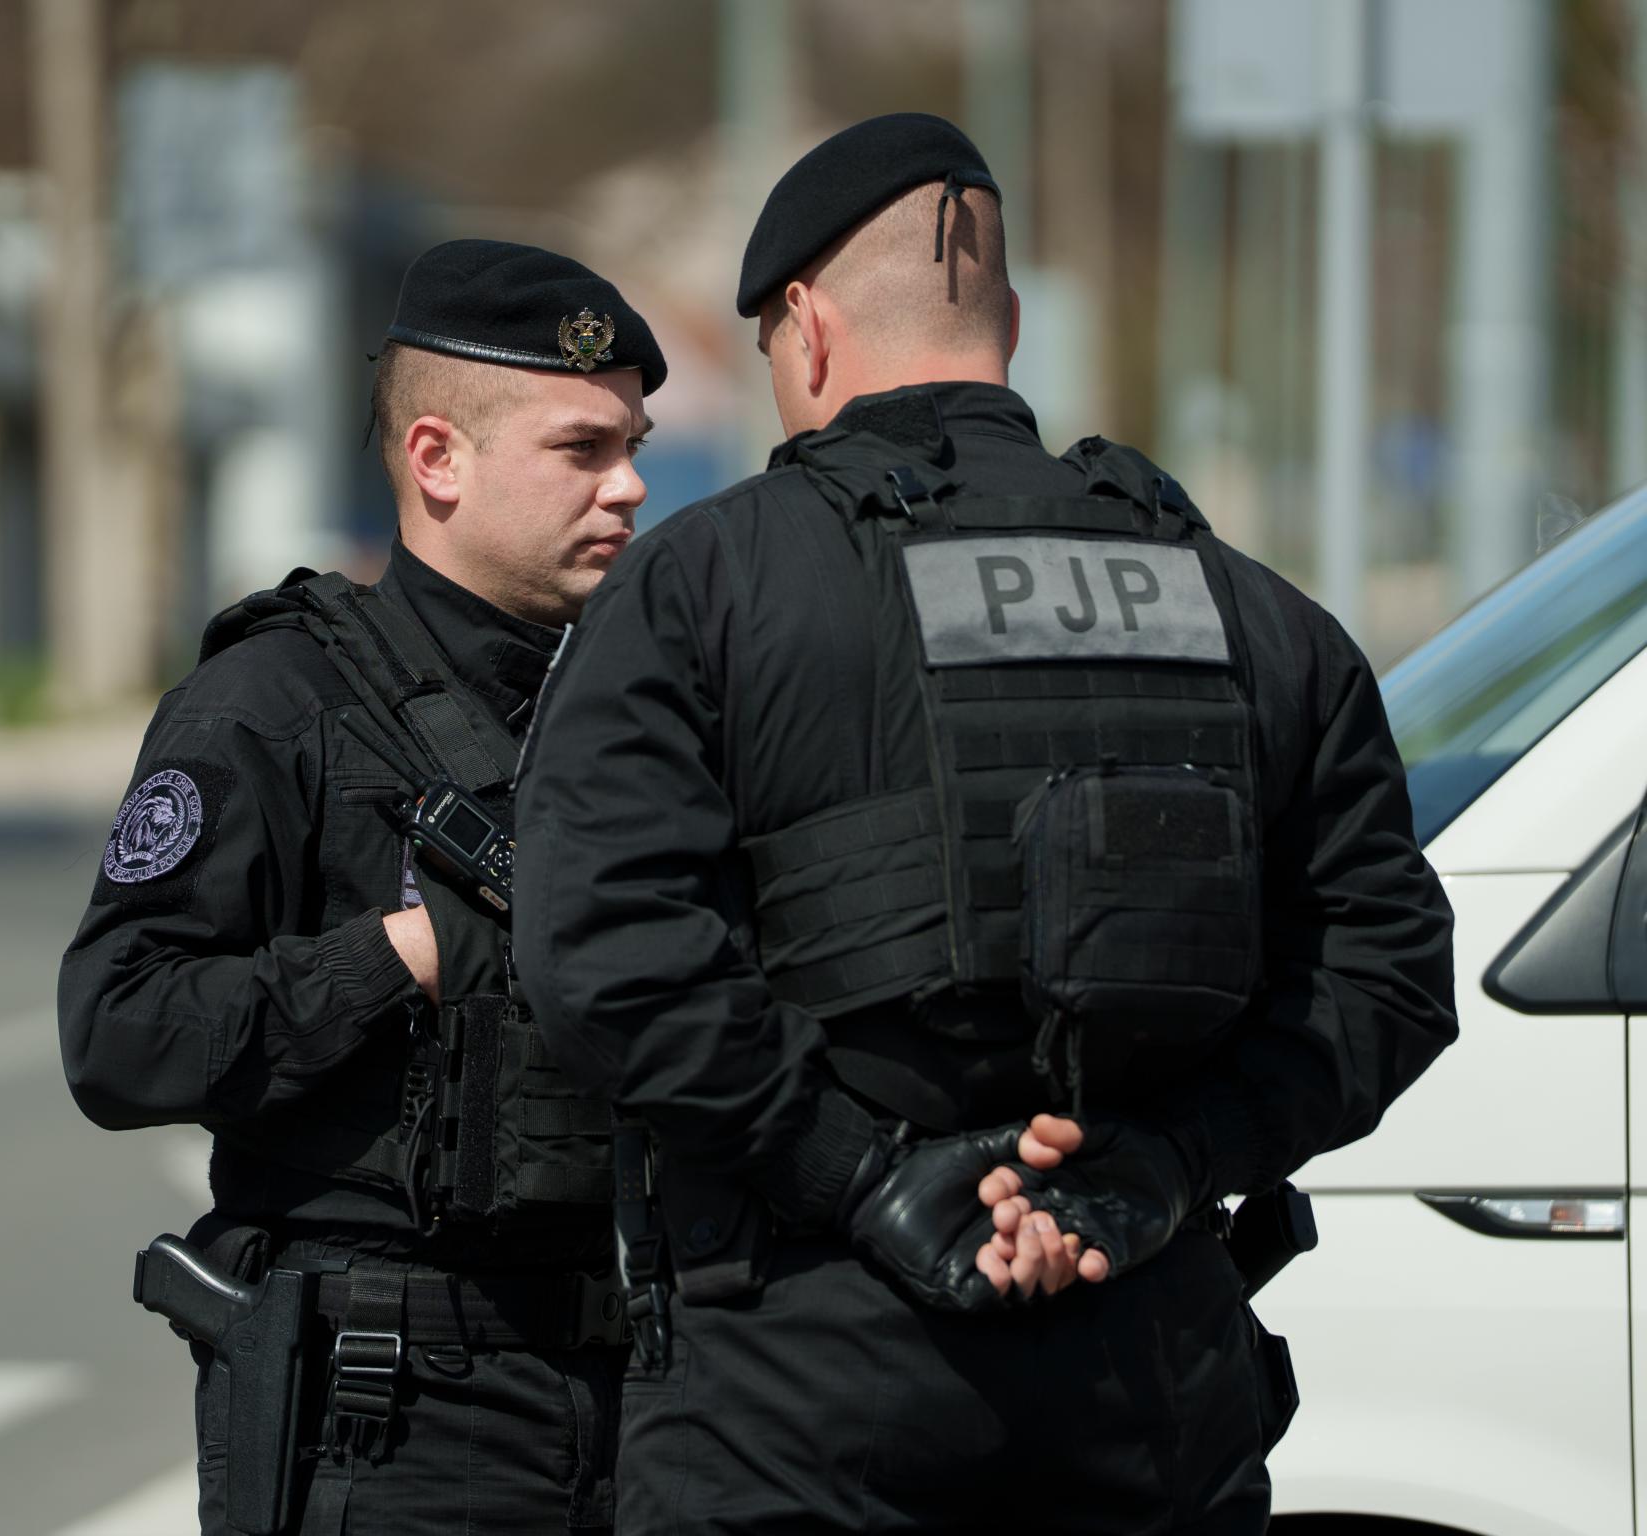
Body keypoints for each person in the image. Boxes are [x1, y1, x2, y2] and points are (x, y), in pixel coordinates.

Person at [511, 114, 1458, 1535]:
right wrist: (1168, 1164)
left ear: (807, 333)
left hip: (798, 1394)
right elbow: (1385, 969)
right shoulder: (1255, 612)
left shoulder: (702, 589)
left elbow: (602, 951)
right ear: (1008, 322)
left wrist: (867, 1173)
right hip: (1151, 1377)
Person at [58, 239, 665, 1536]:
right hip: (389, 1414)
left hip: (637, 1399)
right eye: (583, 450)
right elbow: (119, 1031)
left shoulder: (643, 712)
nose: (630, 488)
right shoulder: (272, 706)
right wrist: (400, 955)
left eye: (636, 446)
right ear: (437, 458)